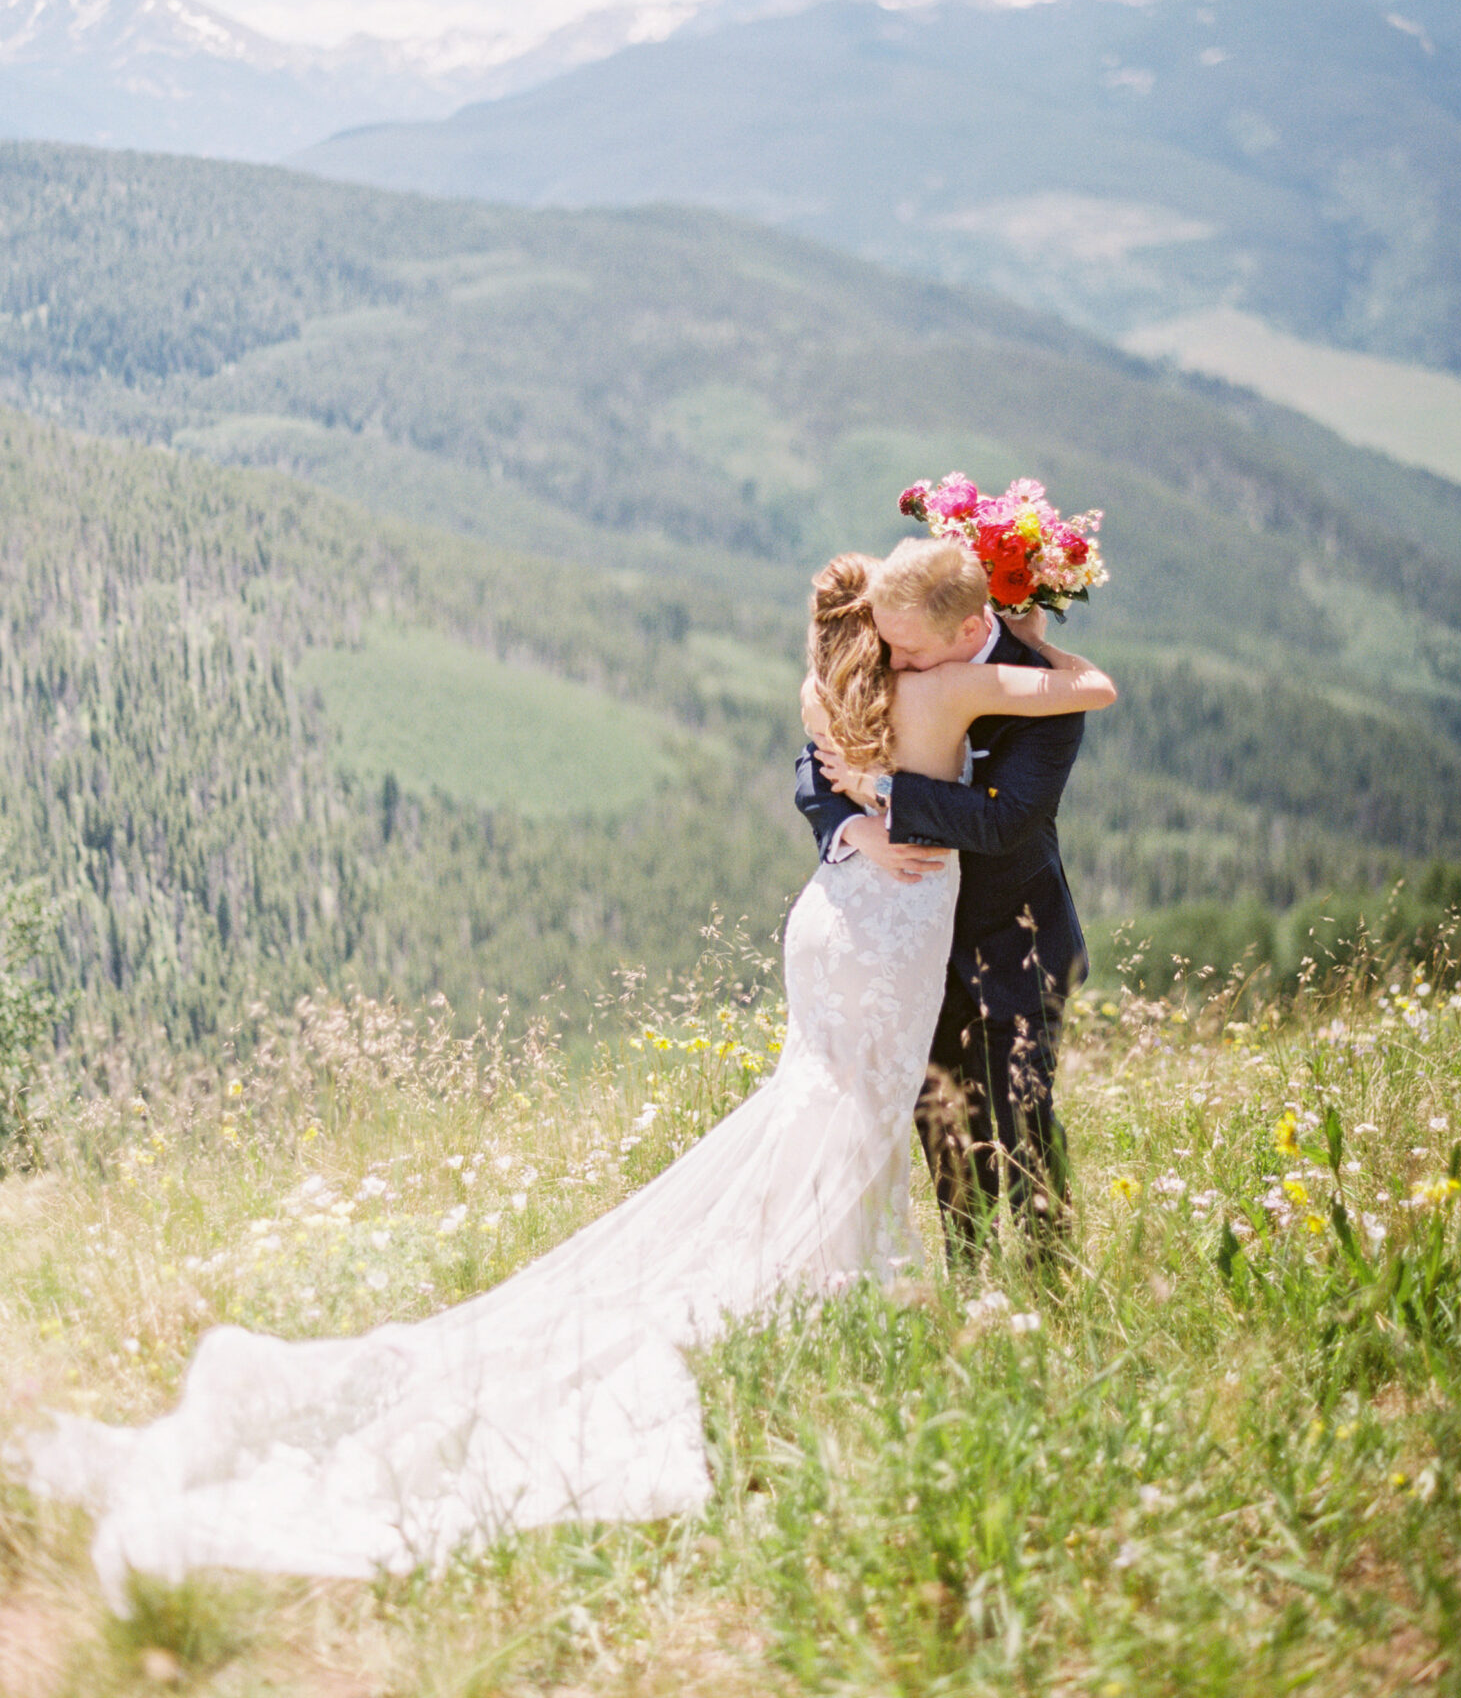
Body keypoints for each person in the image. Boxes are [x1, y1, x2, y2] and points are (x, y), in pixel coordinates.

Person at [22, 552, 1114, 1609]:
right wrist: (940, 726)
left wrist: (875, 810)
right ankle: (832, 1292)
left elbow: (981, 803)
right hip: (886, 923)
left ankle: (866, 1284)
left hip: (860, 923)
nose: (908, 652)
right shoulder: (957, 671)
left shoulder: (851, 668)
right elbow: (1083, 687)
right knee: (870, 1114)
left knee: (853, 1109)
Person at [796, 537, 1098, 1255]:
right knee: (940, 1119)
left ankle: (1047, 1274)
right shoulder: (908, 633)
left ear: (968, 629)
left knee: (1022, 1115)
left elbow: (1001, 822)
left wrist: (886, 794)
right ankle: (969, 1266)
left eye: (911, 654)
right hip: (911, 940)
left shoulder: (1040, 692)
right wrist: (853, 825)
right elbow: (814, 762)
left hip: (1015, 936)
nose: (893, 667)